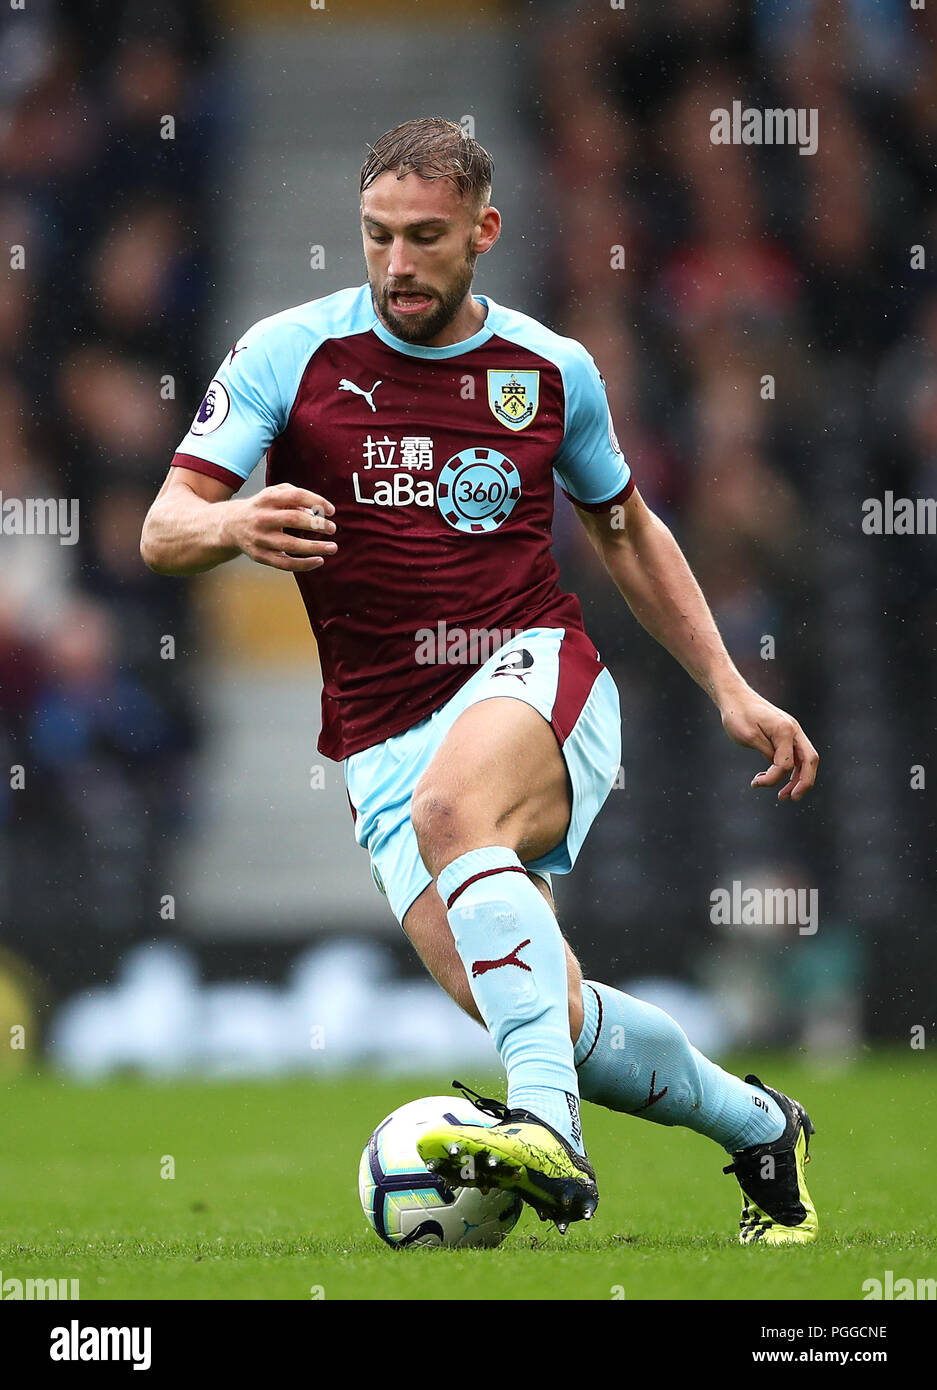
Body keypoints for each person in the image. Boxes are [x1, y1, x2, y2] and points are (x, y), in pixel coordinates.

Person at [140, 117, 819, 1243]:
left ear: (483, 233)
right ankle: (759, 1127)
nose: (397, 265)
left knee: (459, 811)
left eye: (424, 238)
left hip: (533, 666)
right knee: (538, 1007)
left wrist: (728, 688)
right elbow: (163, 530)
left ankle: (544, 1128)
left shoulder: (552, 371)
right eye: (376, 238)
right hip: (377, 730)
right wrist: (230, 520)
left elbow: (629, 533)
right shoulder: (287, 353)